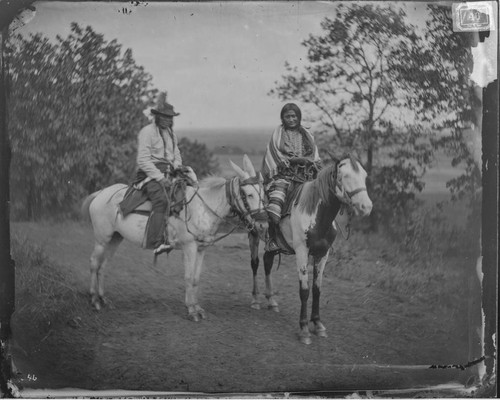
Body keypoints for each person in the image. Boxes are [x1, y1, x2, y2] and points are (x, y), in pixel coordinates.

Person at [261, 103, 322, 252]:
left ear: (299, 117)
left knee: (324, 198)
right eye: (287, 116)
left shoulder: (307, 134)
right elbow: (275, 155)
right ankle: (273, 238)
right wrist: (297, 160)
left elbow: (314, 156)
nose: (291, 119)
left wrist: (312, 164)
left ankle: (323, 238)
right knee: (276, 201)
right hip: (284, 175)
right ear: (282, 118)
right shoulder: (278, 134)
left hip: (305, 176)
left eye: (294, 116)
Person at [135, 91, 183, 255]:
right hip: (150, 175)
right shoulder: (147, 132)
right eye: (164, 117)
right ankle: (155, 241)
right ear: (157, 117)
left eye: (170, 118)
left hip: (170, 172)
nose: (168, 120)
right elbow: (143, 160)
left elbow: (176, 155)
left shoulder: (171, 134)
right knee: (161, 200)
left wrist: (176, 167)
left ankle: (184, 235)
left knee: (187, 194)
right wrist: (160, 178)